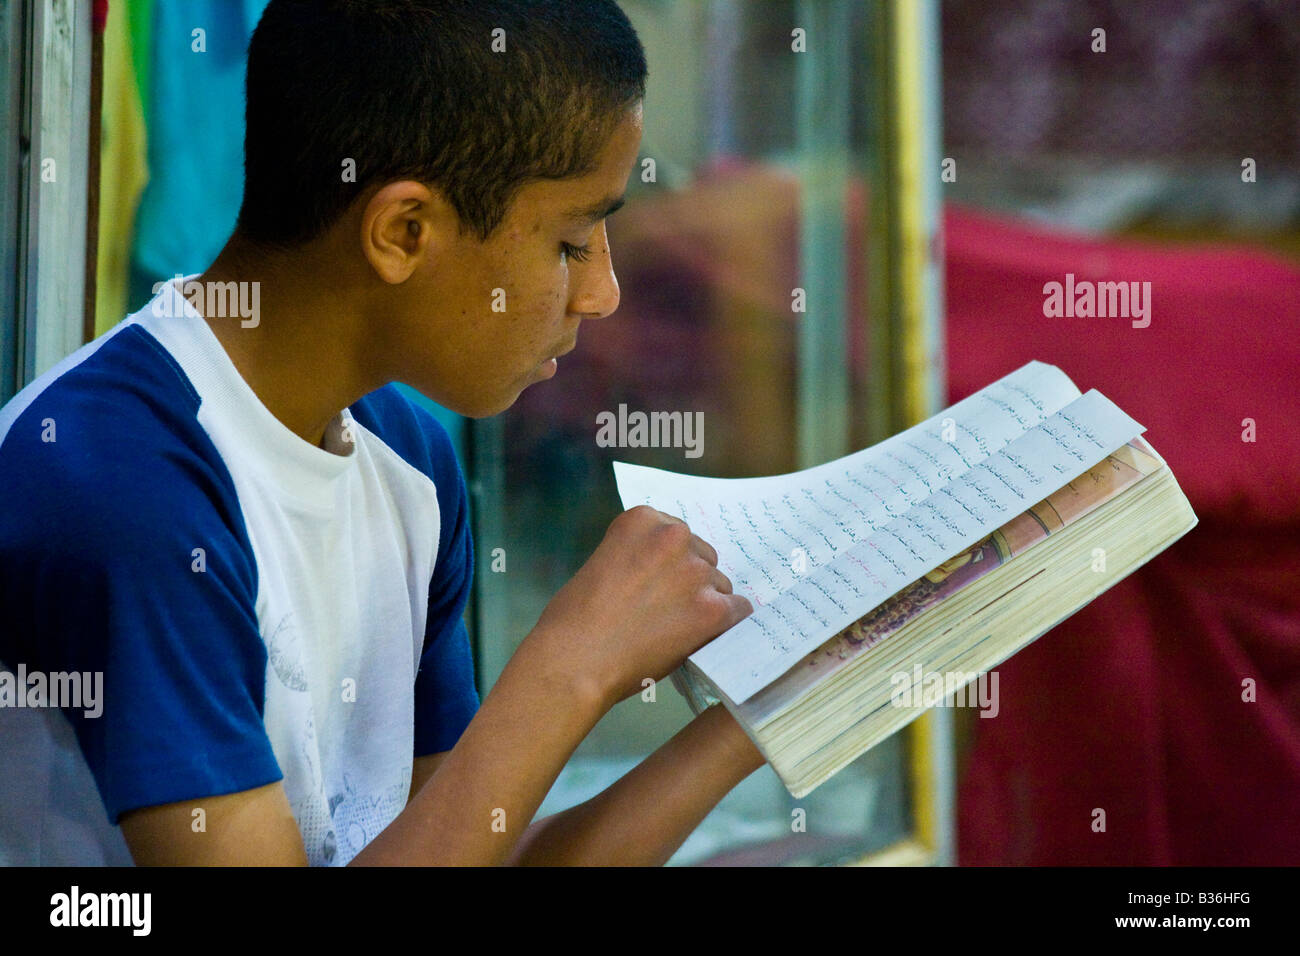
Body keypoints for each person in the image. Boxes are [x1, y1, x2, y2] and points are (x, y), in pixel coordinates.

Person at [0, 0, 760, 866]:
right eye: (573, 240)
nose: (602, 295)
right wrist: (568, 670)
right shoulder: (125, 485)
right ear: (405, 232)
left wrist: (761, 716)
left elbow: (464, 852)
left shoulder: (409, 458)